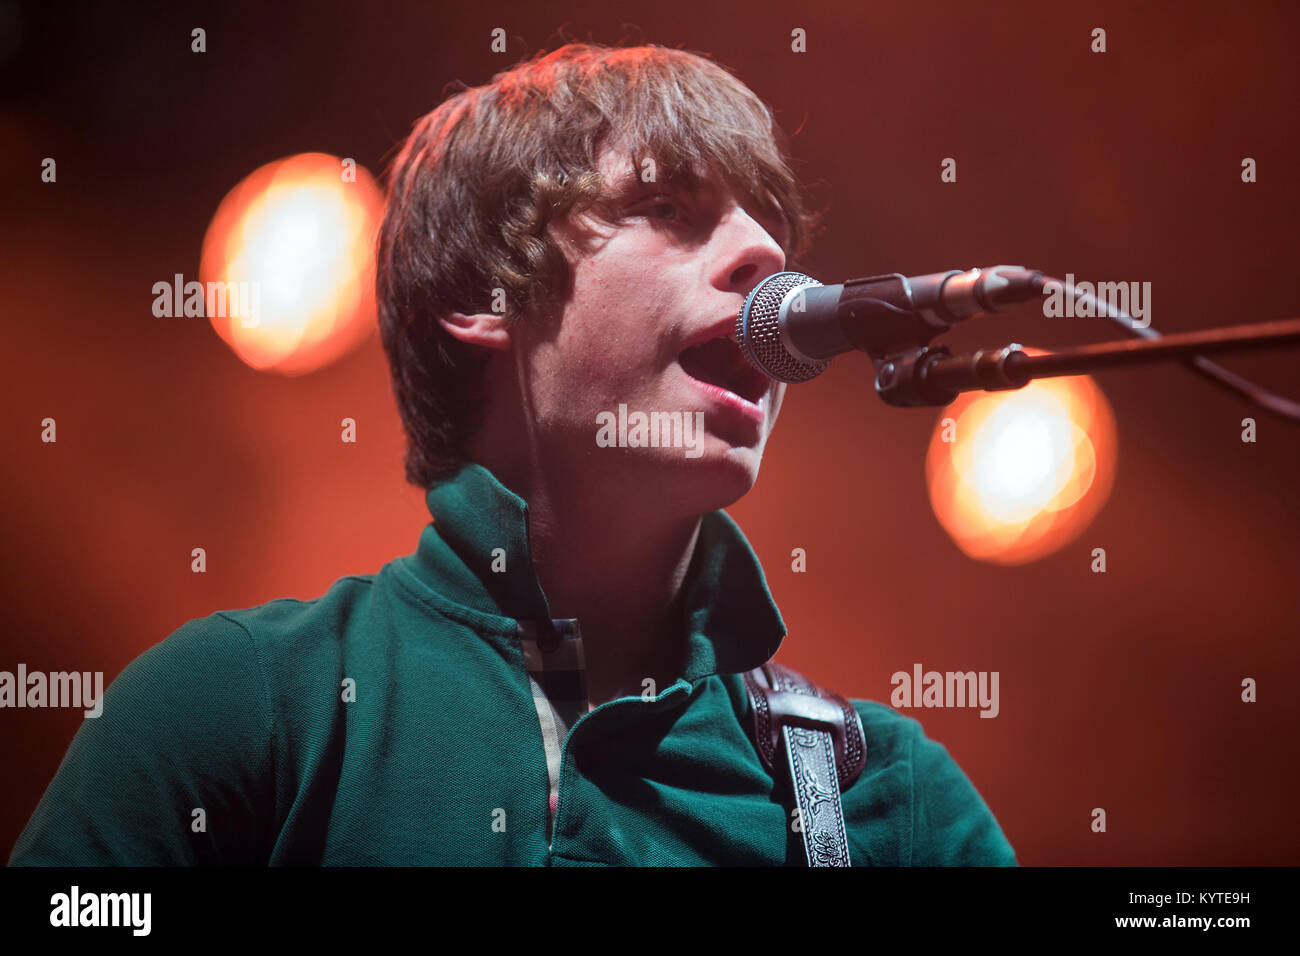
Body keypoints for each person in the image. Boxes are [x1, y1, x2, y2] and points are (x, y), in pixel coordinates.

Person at [9, 42, 1016, 866]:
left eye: (773, 225)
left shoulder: (885, 795)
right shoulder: (239, 707)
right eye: (665, 205)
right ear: (480, 298)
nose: (765, 254)